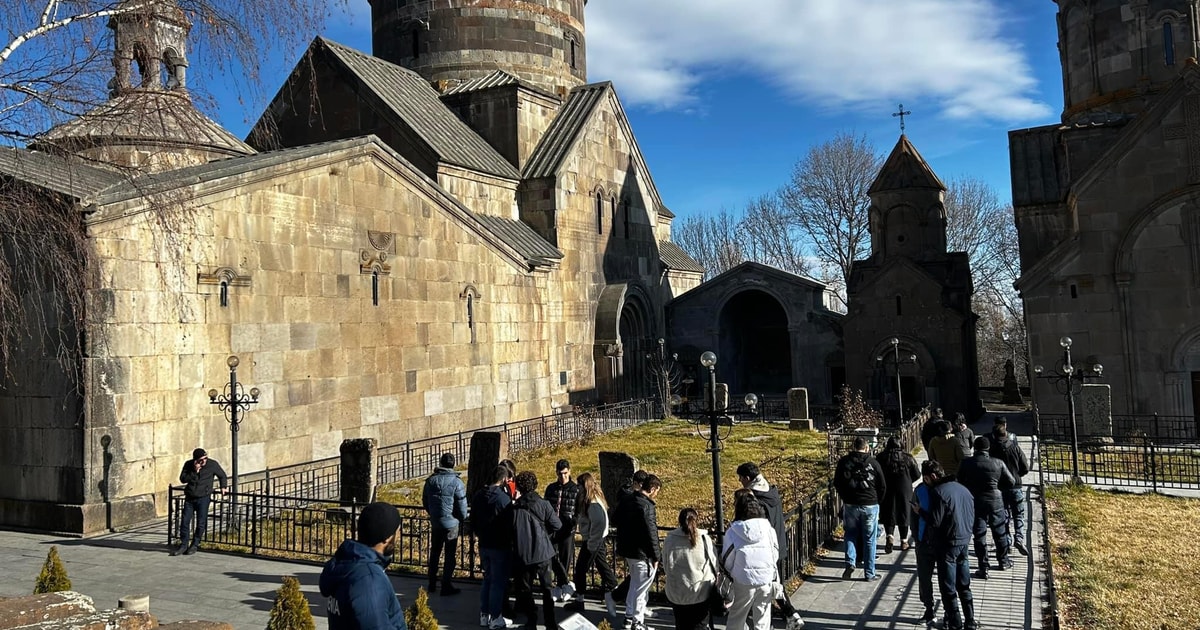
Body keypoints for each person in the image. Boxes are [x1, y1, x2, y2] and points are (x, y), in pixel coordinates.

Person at [736, 462, 805, 630]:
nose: (740, 481)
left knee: (771, 585)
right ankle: (791, 615)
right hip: (776, 543)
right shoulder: (771, 491)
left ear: (747, 478)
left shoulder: (755, 498)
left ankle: (790, 614)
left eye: (740, 478)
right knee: (774, 582)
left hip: (763, 548)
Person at [319, 501, 408, 629]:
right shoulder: (368, 578)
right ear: (387, 537)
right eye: (398, 531)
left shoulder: (348, 564)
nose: (399, 536)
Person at [920, 460, 979, 630]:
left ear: (932, 476)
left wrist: (921, 512)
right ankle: (970, 620)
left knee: (948, 587)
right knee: (964, 583)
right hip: (964, 540)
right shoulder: (963, 488)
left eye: (926, 479)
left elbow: (935, 521)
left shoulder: (938, 492)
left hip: (947, 544)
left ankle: (955, 622)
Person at [957, 436, 1015, 579]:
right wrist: (998, 488)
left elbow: (959, 481)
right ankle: (1003, 561)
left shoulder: (966, 463)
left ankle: (983, 567)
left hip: (975, 501)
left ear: (974, 448)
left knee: (979, 534)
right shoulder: (998, 463)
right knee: (999, 531)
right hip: (995, 500)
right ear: (988, 448)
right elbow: (1011, 482)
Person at [510, 470, 561, 630]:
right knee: (547, 589)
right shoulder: (543, 504)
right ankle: (550, 622)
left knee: (525, 589)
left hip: (523, 554)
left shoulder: (514, 508)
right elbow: (557, 525)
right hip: (543, 552)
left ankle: (531, 620)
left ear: (519, 487)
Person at [723, 490, 779, 630]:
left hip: (743, 579)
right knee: (763, 617)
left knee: (737, 616)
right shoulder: (769, 529)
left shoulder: (733, 531)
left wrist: (733, 572)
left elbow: (727, 558)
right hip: (766, 578)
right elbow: (775, 553)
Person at [565, 472, 619, 618]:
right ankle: (614, 588)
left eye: (579, 485)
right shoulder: (594, 499)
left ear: (585, 486)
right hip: (595, 539)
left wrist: (591, 544)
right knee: (602, 566)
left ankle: (581, 599)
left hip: (593, 541)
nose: (577, 488)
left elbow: (599, 524)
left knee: (581, 569)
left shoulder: (593, 504)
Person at [833, 437, 887, 581]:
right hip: (870, 503)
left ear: (853, 446)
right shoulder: (873, 463)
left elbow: (837, 482)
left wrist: (845, 497)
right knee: (869, 539)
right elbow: (882, 485)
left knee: (850, 534)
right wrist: (877, 501)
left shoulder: (844, 462)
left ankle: (850, 562)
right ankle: (869, 573)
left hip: (851, 503)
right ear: (867, 447)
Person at [613, 473, 662, 630]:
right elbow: (651, 533)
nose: (656, 495)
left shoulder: (627, 499)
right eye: (656, 491)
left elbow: (614, 519)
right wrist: (656, 556)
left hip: (628, 551)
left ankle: (628, 617)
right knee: (641, 589)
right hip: (643, 554)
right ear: (652, 488)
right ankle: (637, 622)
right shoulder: (647, 506)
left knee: (634, 585)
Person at [472, 465, 515, 629]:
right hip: (499, 545)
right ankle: (496, 617)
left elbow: (473, 519)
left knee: (487, 579)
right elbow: (509, 523)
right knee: (497, 582)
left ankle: (484, 615)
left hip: (484, 543)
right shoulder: (503, 499)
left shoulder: (478, 495)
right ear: (504, 479)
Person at [662, 507, 717, 630]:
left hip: (677, 591)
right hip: (700, 590)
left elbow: (666, 564)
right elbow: (714, 563)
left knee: (681, 625)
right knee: (700, 625)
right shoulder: (704, 539)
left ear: (679, 521)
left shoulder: (670, 539)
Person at [422, 452, 467, 595]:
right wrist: (461, 517)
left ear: (441, 463)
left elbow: (425, 500)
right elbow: (461, 506)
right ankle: (446, 584)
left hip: (436, 522)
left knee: (434, 553)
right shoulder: (457, 482)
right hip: (451, 523)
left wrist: (434, 514)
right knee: (449, 555)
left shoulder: (430, 481)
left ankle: (431, 583)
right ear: (453, 464)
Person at [988, 417, 1031, 555]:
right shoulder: (1015, 447)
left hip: (1000, 486)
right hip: (1016, 485)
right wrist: (1018, 476)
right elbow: (1025, 467)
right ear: (1006, 434)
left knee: (1003, 515)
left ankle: (1006, 542)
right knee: (1018, 514)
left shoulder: (992, 450)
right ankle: (1019, 537)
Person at [173, 447, 227, 556]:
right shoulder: (189, 465)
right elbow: (183, 479)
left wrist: (223, 487)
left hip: (203, 497)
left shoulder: (212, 464)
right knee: (185, 521)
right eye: (201, 460)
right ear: (195, 460)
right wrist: (195, 471)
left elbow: (222, 475)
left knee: (201, 523)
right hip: (190, 497)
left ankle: (195, 544)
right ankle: (183, 545)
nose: (204, 461)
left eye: (205, 458)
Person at [544, 459, 581, 602]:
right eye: (560, 474)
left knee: (565, 557)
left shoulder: (576, 489)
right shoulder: (551, 488)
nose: (563, 477)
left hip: (567, 529)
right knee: (552, 556)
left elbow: (578, 510)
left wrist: (574, 522)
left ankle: (563, 584)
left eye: (565, 473)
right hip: (553, 528)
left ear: (569, 472)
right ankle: (559, 584)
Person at [877, 437, 920, 554]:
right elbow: (917, 474)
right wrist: (909, 480)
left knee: (888, 512)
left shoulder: (881, 457)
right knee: (904, 512)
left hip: (887, 488)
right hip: (904, 488)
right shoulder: (908, 458)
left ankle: (889, 536)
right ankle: (904, 540)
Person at [910, 462, 939, 624]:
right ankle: (931, 608)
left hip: (927, 540)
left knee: (925, 577)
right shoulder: (921, 490)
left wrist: (916, 536)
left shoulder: (921, 490)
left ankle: (930, 609)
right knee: (928, 577)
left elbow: (914, 516)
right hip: (930, 540)